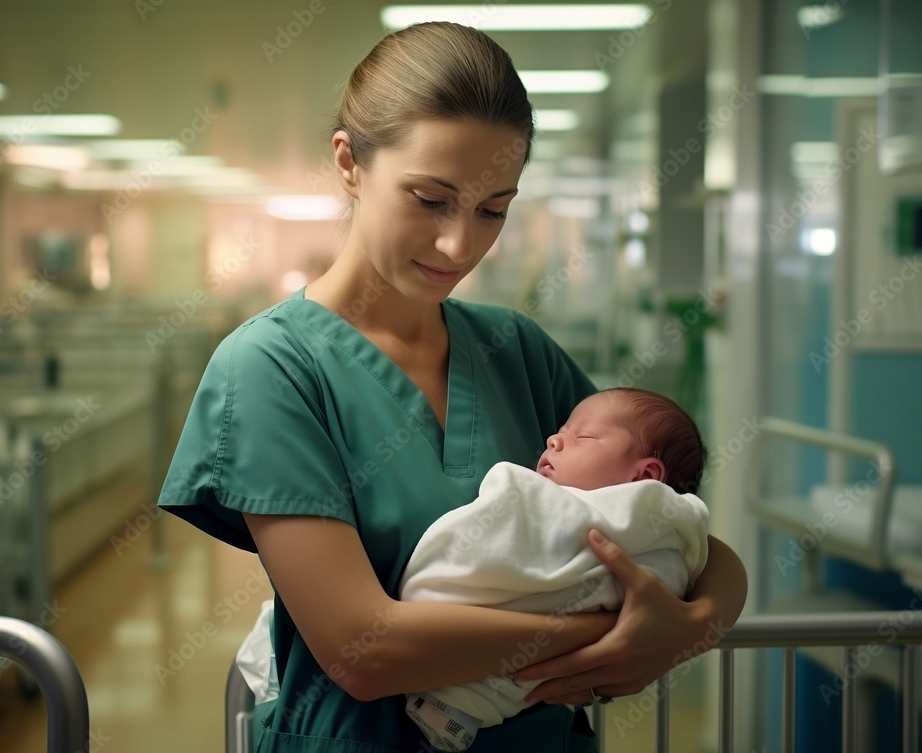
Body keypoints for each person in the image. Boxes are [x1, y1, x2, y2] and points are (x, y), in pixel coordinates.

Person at [157, 21, 747, 753]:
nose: (460, 244)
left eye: (493, 208)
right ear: (349, 163)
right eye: (430, 198)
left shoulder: (515, 350)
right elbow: (363, 649)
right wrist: (611, 637)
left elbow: (680, 524)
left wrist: (694, 623)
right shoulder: (274, 370)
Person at [400, 387, 710, 751]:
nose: (554, 439)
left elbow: (695, 573)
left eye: (583, 436)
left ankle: (467, 701)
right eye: (561, 430)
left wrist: (699, 618)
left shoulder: (650, 525)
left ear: (644, 479)